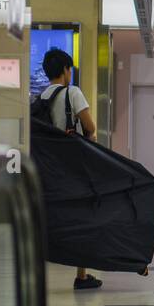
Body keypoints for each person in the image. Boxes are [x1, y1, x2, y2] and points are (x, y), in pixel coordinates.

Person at [39, 48, 102, 291]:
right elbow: (90, 126)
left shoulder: (41, 98)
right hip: (74, 168)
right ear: (66, 70)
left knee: (53, 218)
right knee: (83, 217)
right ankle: (82, 275)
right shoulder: (72, 93)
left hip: (49, 168)